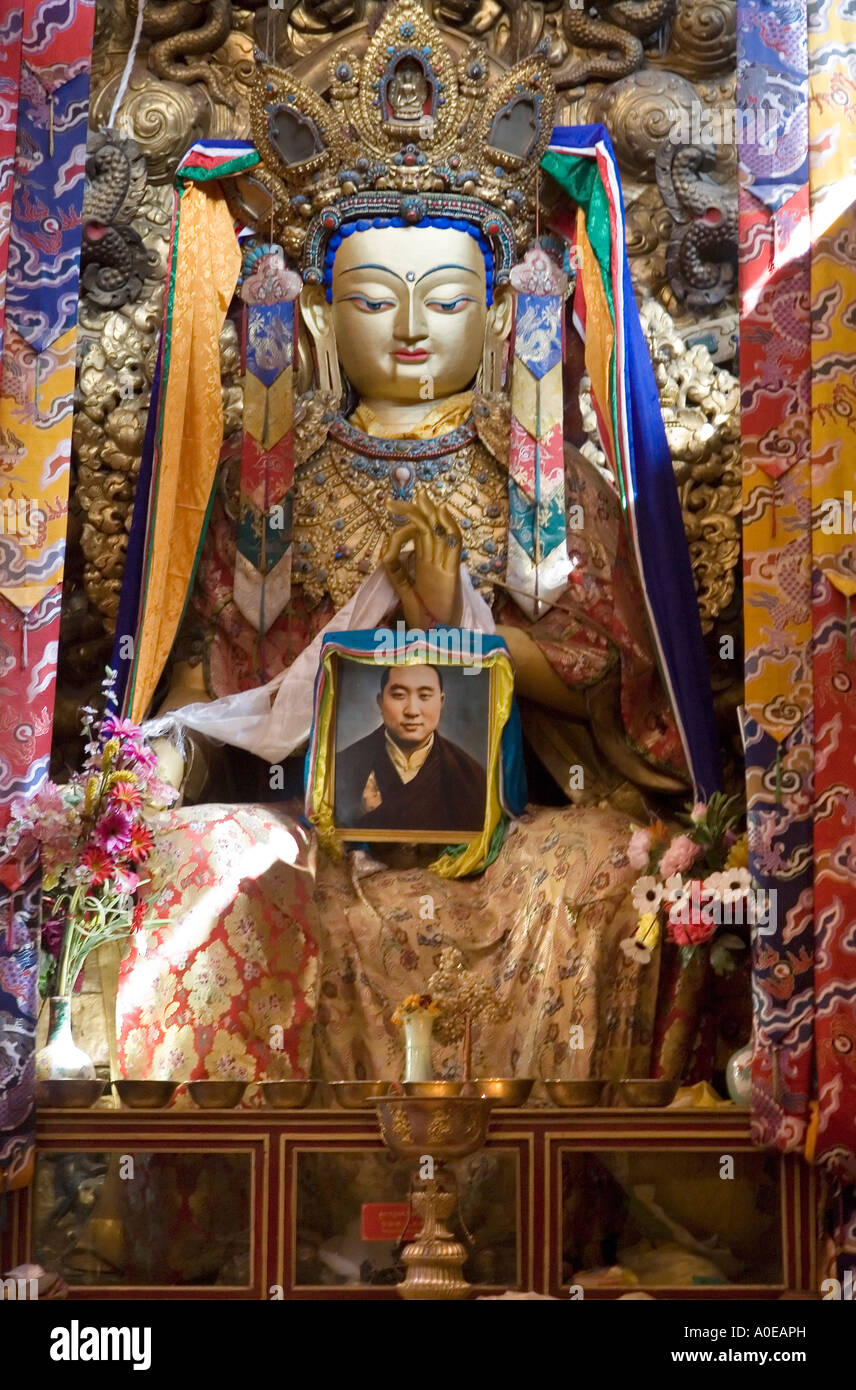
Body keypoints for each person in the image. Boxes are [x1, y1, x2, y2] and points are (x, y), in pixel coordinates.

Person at [334, 664, 487, 833]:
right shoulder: (344, 764)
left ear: (441, 702)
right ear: (380, 702)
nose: (412, 711)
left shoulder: (470, 776)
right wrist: (361, 813)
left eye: (425, 696)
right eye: (399, 695)